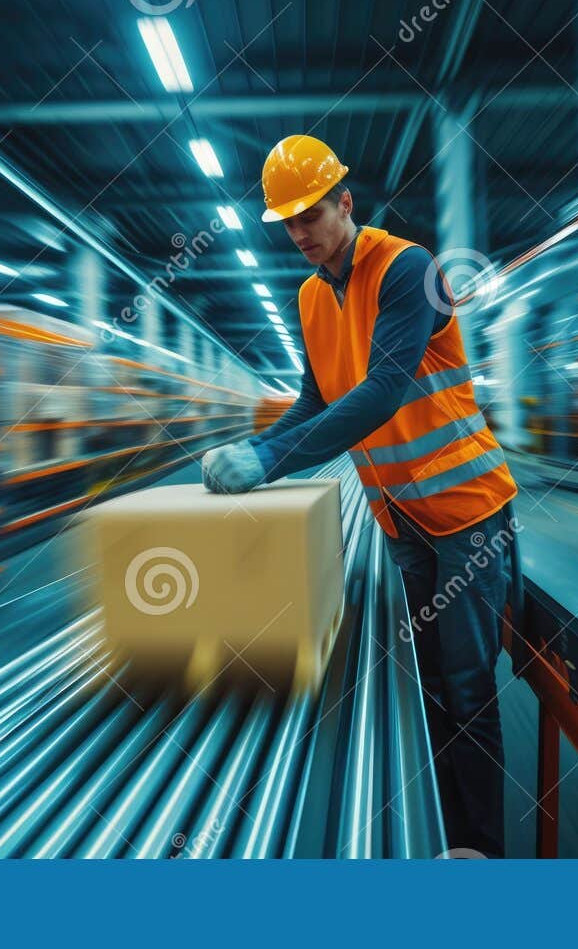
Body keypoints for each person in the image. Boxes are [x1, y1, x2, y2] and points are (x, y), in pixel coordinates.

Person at [200, 134, 519, 857]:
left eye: (311, 215)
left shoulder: (409, 269)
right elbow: (316, 400)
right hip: (401, 518)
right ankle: (444, 832)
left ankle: (481, 852)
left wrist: (268, 461)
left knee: (469, 688)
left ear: (346, 202)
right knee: (430, 682)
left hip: (465, 513)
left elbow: (381, 391)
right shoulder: (311, 296)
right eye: (287, 221)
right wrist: (255, 445)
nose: (299, 233)